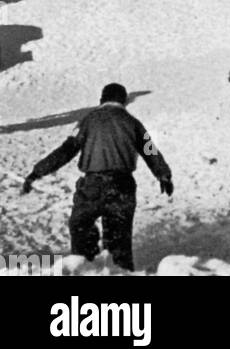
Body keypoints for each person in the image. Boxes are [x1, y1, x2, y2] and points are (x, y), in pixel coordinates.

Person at [21, 82, 173, 272]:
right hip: (122, 186)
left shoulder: (88, 120)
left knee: (80, 228)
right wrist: (163, 175)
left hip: (92, 187)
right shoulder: (133, 123)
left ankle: (86, 268)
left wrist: (38, 172)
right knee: (119, 245)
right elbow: (150, 151)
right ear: (124, 101)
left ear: (102, 99)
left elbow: (66, 150)